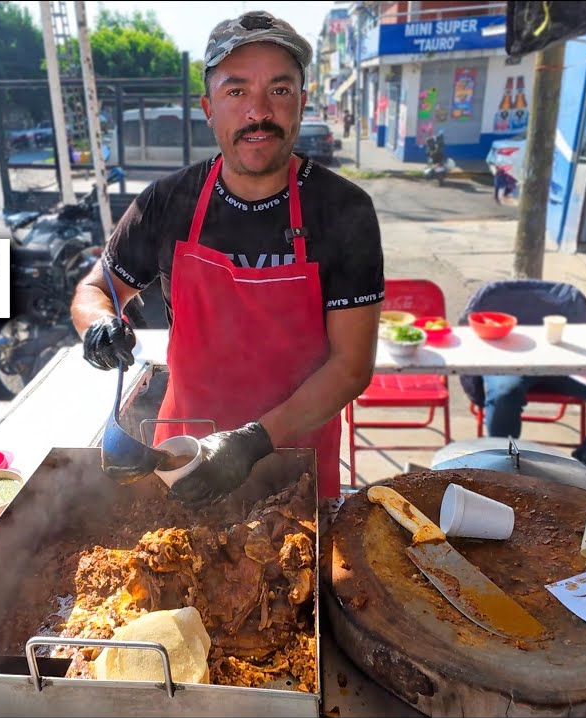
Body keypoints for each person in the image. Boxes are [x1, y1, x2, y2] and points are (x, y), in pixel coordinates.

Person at [70, 11, 384, 507]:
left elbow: (351, 366)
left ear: (302, 102)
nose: (259, 111)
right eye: (236, 91)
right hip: (183, 457)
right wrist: (98, 325)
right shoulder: (167, 202)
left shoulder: (344, 210)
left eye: (279, 90)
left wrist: (254, 441)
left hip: (294, 459)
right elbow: (95, 289)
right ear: (208, 109)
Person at [459, 280, 586, 471]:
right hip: (508, 358)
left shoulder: (569, 300)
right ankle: (504, 466)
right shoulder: (491, 300)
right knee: (505, 391)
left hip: (567, 363)